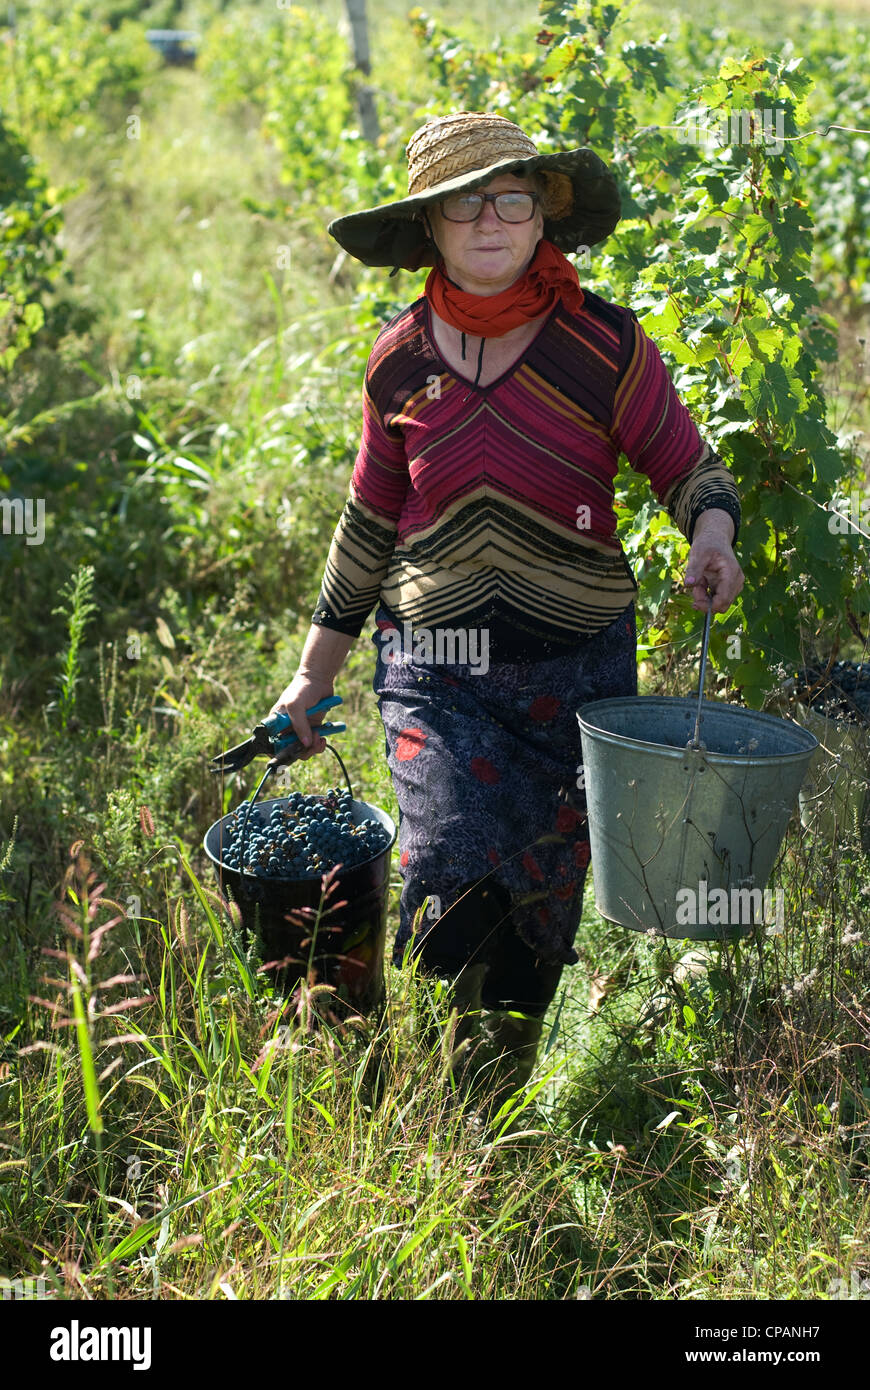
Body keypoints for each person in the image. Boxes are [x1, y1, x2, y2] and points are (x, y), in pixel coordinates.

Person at [268, 111, 744, 1115]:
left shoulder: (604, 344)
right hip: (432, 664)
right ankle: (441, 1091)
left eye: (511, 197)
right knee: (444, 861)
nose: (489, 218)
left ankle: (495, 1105)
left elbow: (688, 467)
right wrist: (314, 674)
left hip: (575, 672)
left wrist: (713, 535)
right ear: (430, 227)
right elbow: (367, 518)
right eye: (463, 201)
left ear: (542, 219)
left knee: (539, 901)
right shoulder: (398, 360)